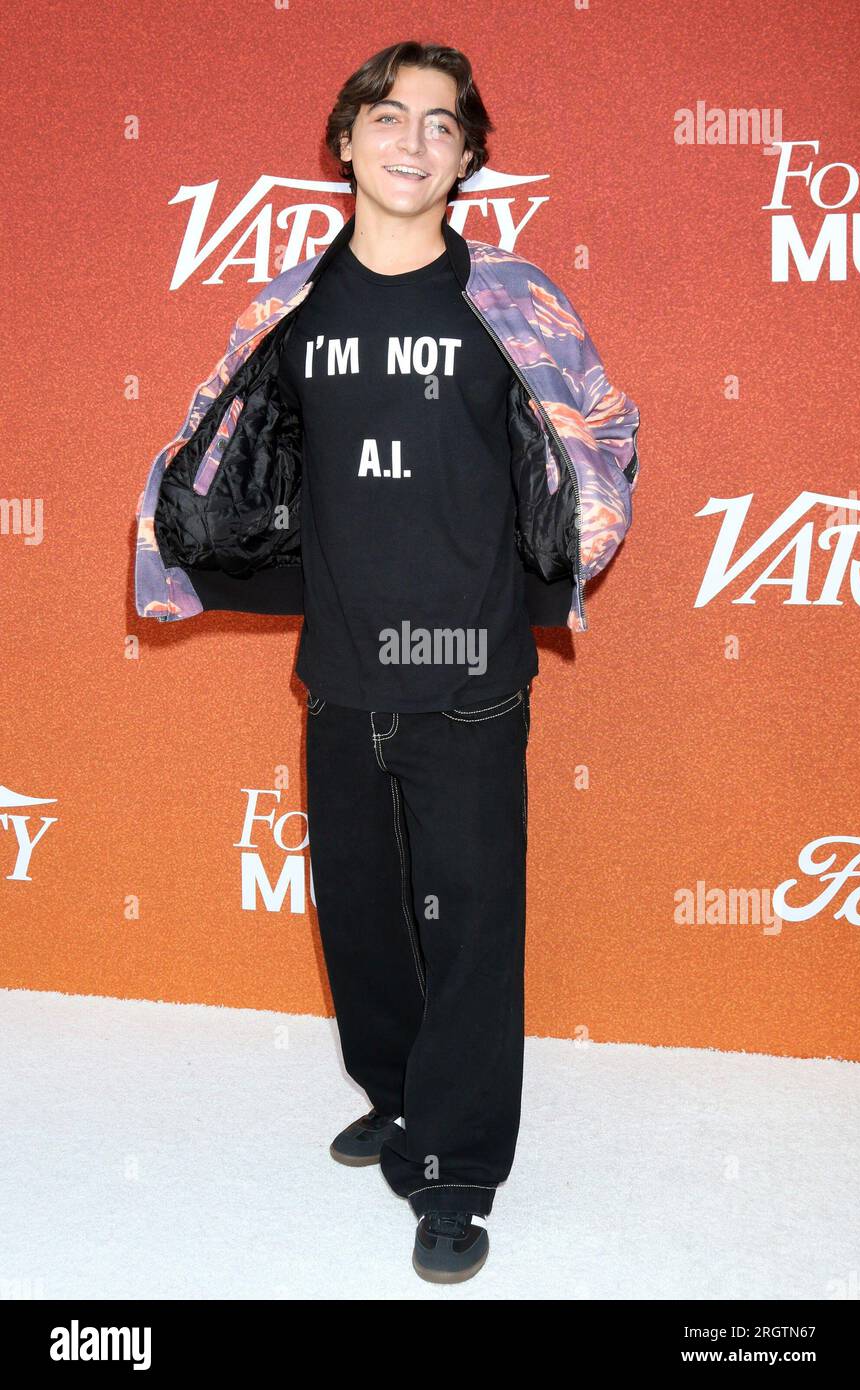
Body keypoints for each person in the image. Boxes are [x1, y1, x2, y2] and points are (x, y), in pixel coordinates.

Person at [135, 38, 640, 1286]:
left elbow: (603, 431)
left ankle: (457, 1167)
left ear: (467, 158)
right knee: (361, 918)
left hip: (468, 676)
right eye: (387, 115)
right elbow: (224, 451)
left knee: (467, 928)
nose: (412, 141)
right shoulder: (293, 307)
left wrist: (556, 545)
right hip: (343, 666)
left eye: (440, 125)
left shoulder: (510, 299)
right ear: (345, 139)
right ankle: (396, 1089)